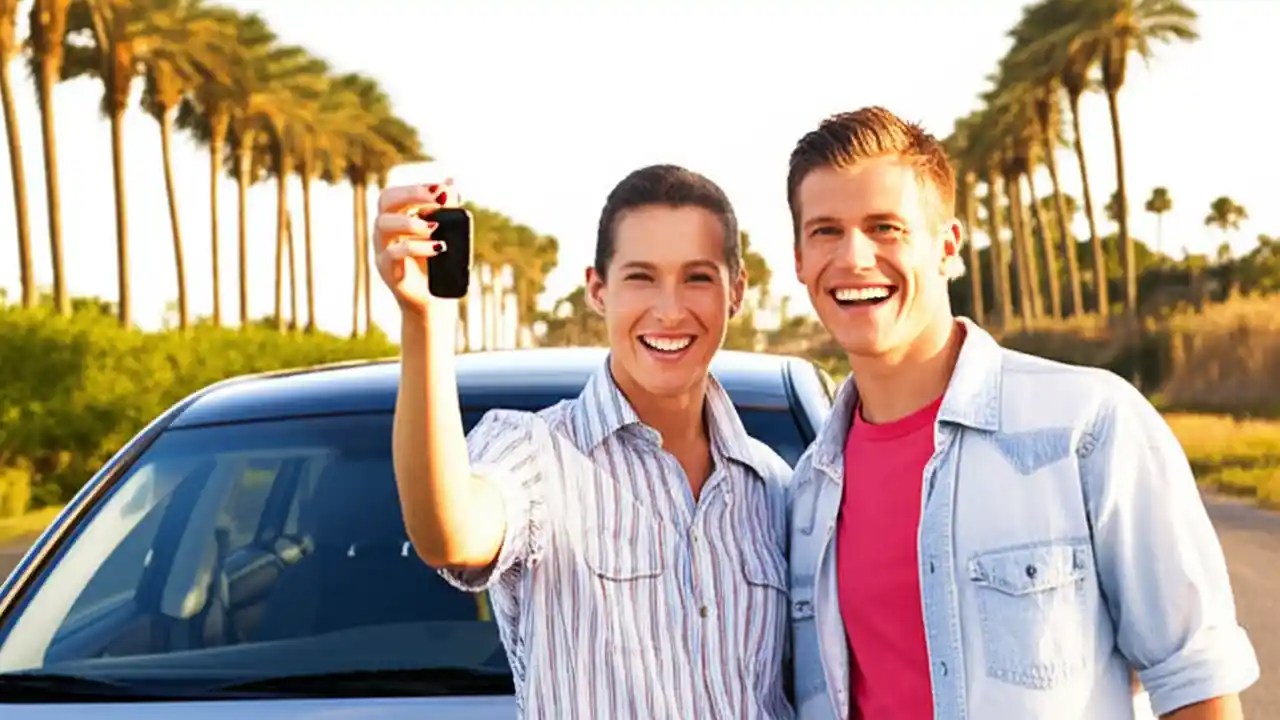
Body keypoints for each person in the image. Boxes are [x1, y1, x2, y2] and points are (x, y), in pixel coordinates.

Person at [783, 106, 1259, 720]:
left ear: (947, 246)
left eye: (885, 227)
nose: (854, 257)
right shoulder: (809, 494)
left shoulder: (1087, 427)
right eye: (826, 231)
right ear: (799, 259)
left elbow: (1196, 682)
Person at [375, 164, 795, 719]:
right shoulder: (534, 454)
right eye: (641, 277)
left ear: (735, 292)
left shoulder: (775, 488)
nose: (670, 310)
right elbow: (449, 532)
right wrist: (424, 322)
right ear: (598, 290)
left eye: (697, 277)